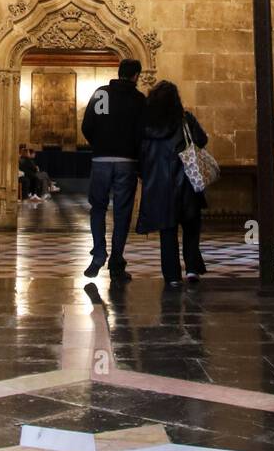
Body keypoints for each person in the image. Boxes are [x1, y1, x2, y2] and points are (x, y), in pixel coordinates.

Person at [136, 80, 208, 286]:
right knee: (191, 226)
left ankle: (172, 276)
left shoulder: (146, 125)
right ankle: (192, 268)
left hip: (159, 184)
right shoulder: (185, 119)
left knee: (167, 230)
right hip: (186, 180)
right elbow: (202, 140)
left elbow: (140, 154)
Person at [80, 59, 146, 281]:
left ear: (119, 73)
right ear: (136, 75)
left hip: (101, 161)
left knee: (97, 208)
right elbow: (142, 134)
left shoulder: (102, 94)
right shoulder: (139, 100)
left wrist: (100, 145)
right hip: (127, 161)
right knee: (122, 213)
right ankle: (117, 262)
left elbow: (87, 126)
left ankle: (99, 253)